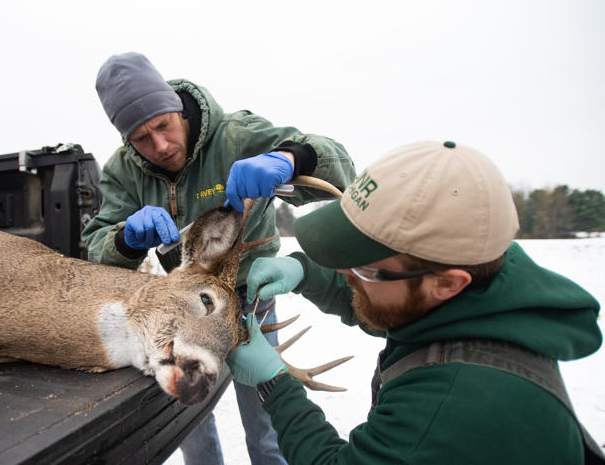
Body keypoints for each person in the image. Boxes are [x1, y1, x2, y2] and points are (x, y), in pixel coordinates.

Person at [227, 140, 605, 464]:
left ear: (447, 284)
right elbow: (398, 304)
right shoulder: (483, 292)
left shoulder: (450, 410)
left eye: (366, 268)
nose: (346, 272)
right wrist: (304, 271)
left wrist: (272, 383)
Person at [81, 52, 356, 465]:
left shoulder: (236, 136)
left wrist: (289, 159)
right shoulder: (123, 170)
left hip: (251, 303)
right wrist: (126, 239)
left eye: (163, 126)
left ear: (176, 107)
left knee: (266, 427)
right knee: (188, 422)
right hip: (184, 310)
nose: (159, 146)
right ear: (126, 140)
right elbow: (96, 246)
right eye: (141, 138)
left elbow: (340, 169)